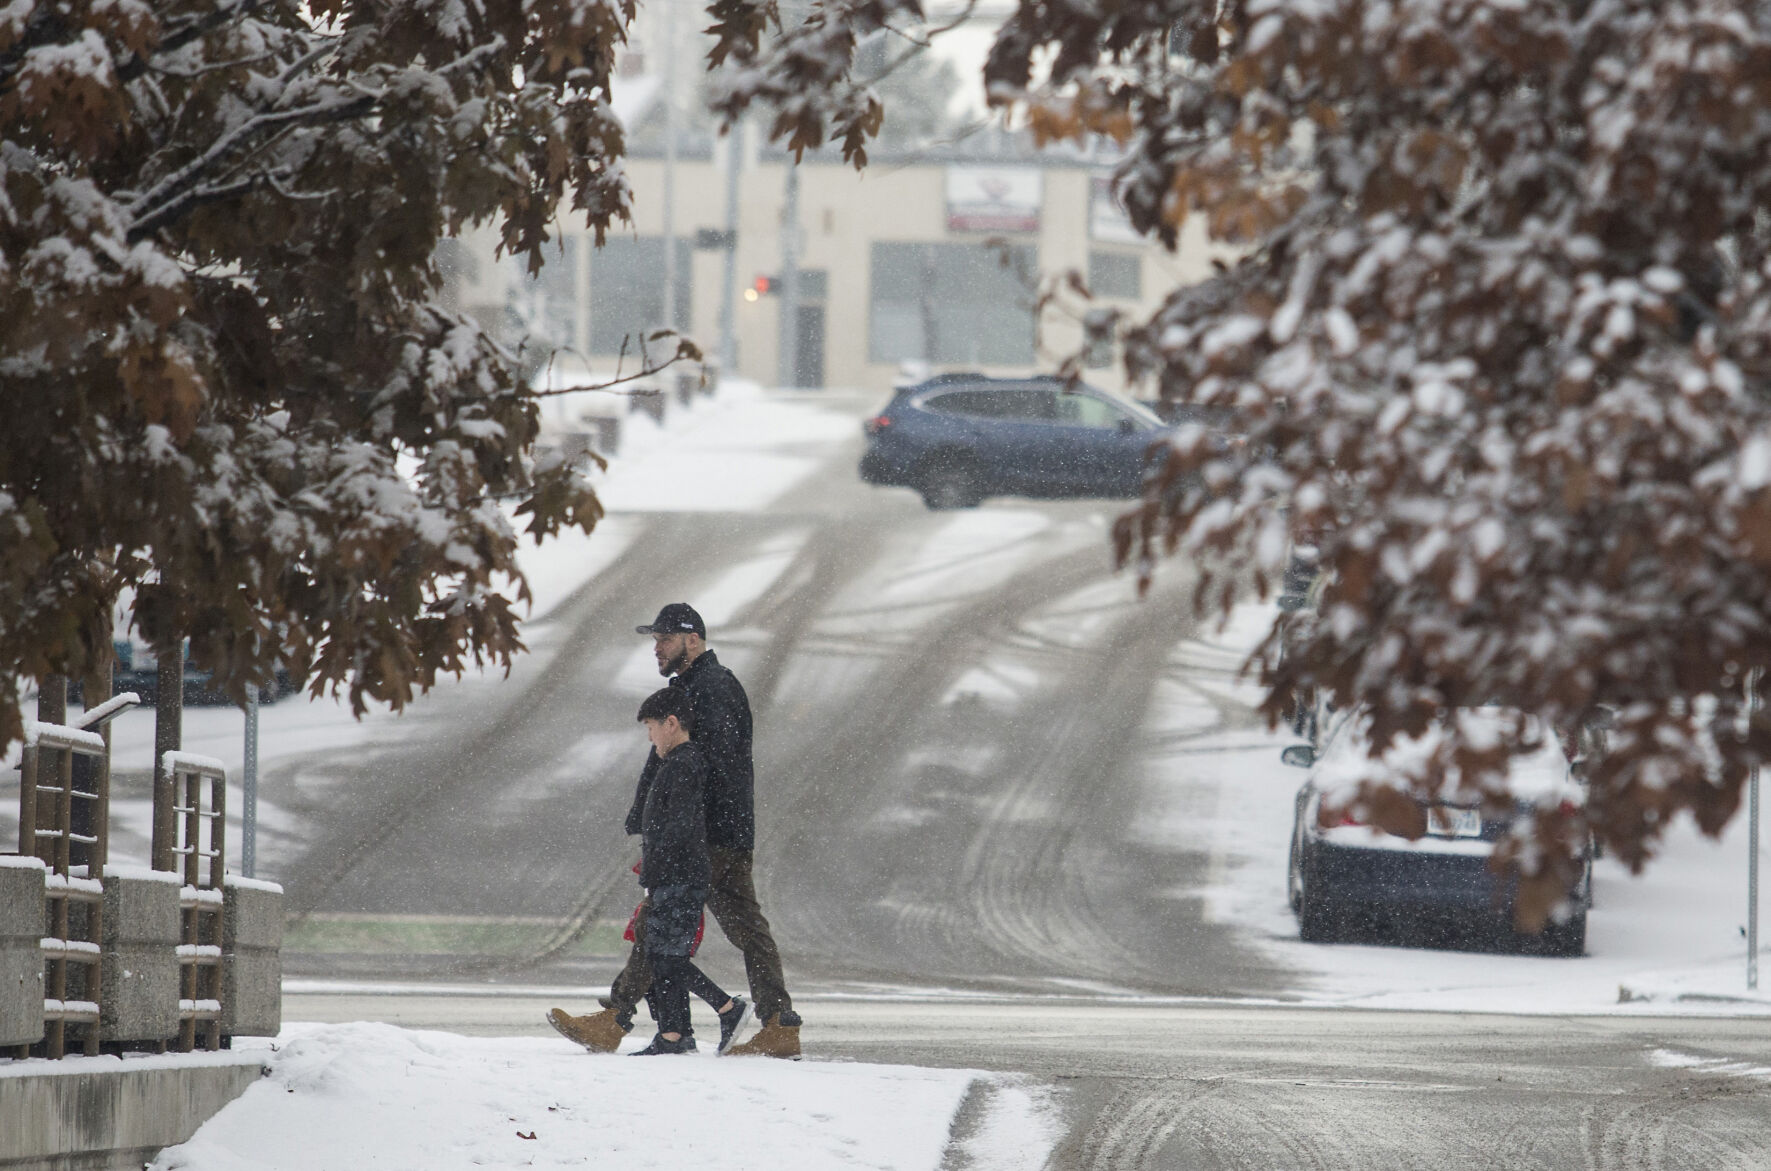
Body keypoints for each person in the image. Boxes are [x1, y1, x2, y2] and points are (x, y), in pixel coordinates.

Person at [550, 603, 802, 1058]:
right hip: (718, 834)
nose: (657, 648)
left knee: (659, 926)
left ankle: (618, 1020)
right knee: (744, 930)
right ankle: (774, 1024)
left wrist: (681, 833)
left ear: (693, 639)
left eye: (665, 639)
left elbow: (715, 766)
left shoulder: (713, 687)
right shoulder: (692, 687)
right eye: (655, 640)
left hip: (706, 837)